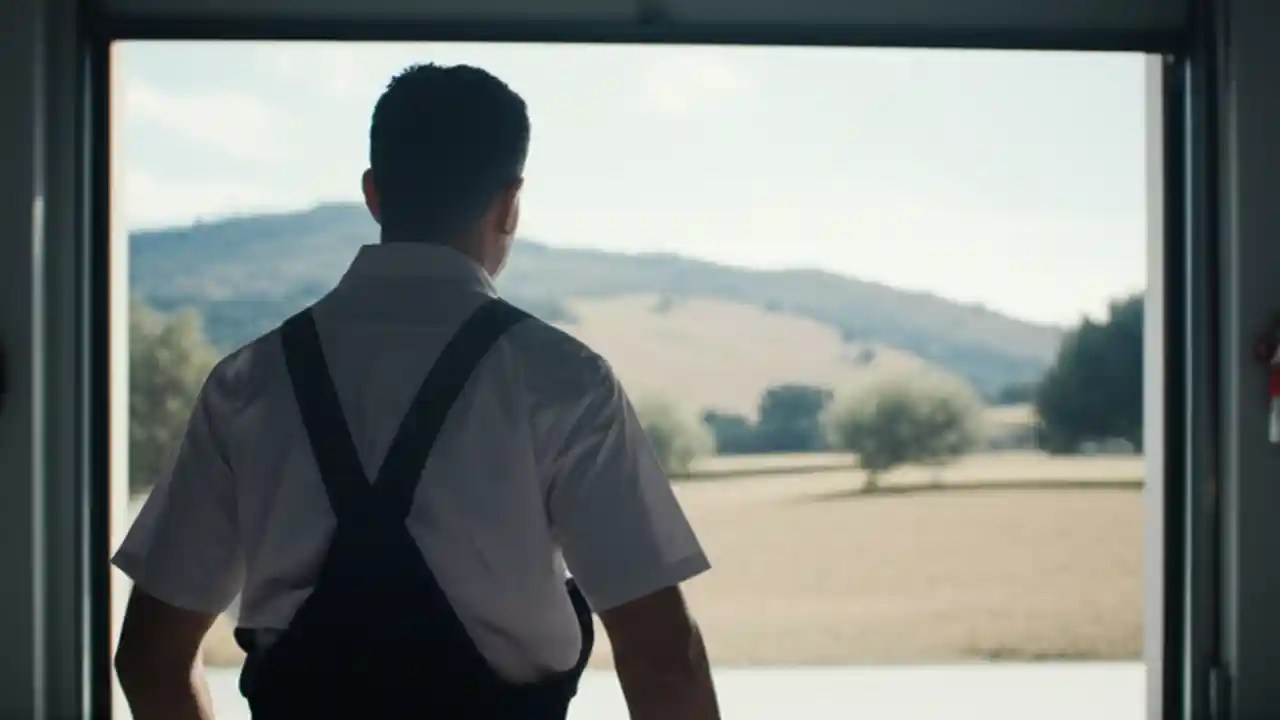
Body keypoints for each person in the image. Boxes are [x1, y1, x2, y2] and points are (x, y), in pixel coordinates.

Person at [114, 63, 719, 720]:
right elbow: (664, 662)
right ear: (511, 203)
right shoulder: (563, 382)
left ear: (374, 194)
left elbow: (150, 658)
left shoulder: (246, 383)